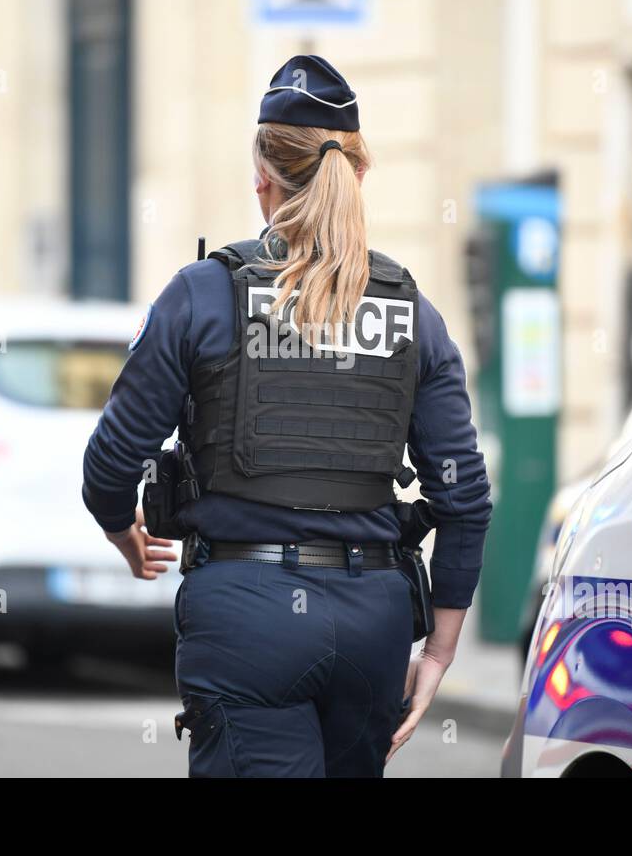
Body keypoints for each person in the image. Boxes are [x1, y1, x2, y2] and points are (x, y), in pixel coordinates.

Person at [81, 55, 492, 777]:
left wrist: (124, 531)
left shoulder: (203, 297)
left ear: (263, 180)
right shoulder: (412, 314)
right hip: (374, 624)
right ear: (358, 175)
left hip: (247, 619)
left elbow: (111, 462)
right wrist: (440, 651)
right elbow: (463, 498)